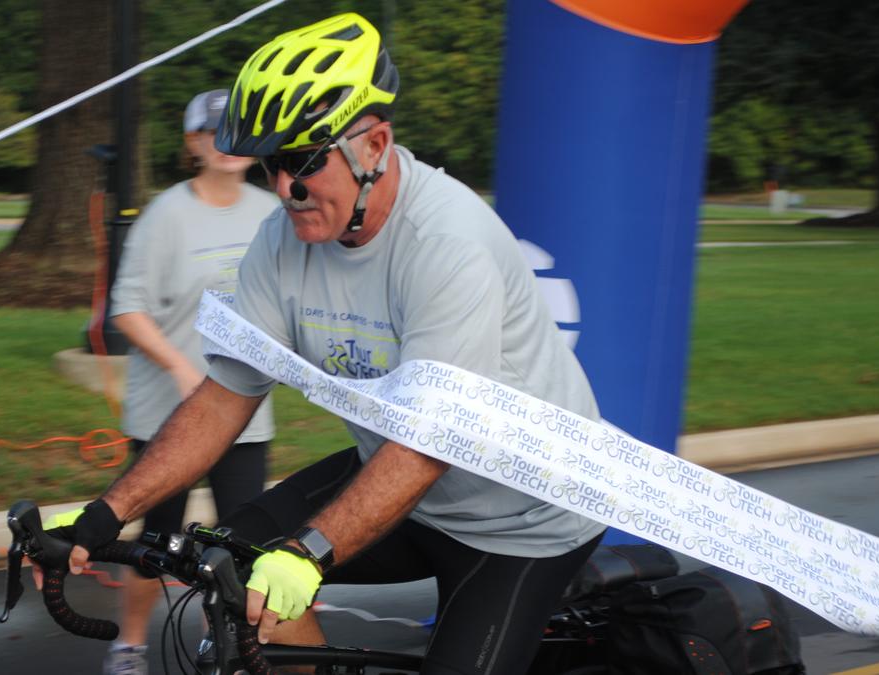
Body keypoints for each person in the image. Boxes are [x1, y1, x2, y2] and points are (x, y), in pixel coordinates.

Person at [54, 14, 606, 674]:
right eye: (271, 165)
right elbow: (225, 396)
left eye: (305, 161)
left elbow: (429, 442)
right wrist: (105, 514)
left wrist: (310, 551)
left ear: (375, 144)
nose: (285, 188)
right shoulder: (282, 241)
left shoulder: (447, 245)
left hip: (521, 518)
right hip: (404, 482)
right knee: (231, 567)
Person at [102, 88, 278, 675]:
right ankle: (129, 646)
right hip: (170, 413)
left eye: (237, 133)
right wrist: (181, 368)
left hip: (244, 410)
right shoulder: (166, 214)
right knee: (157, 538)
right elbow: (126, 309)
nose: (226, 144)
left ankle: (217, 646)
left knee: (239, 543)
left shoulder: (271, 212)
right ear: (192, 144)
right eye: (212, 132)